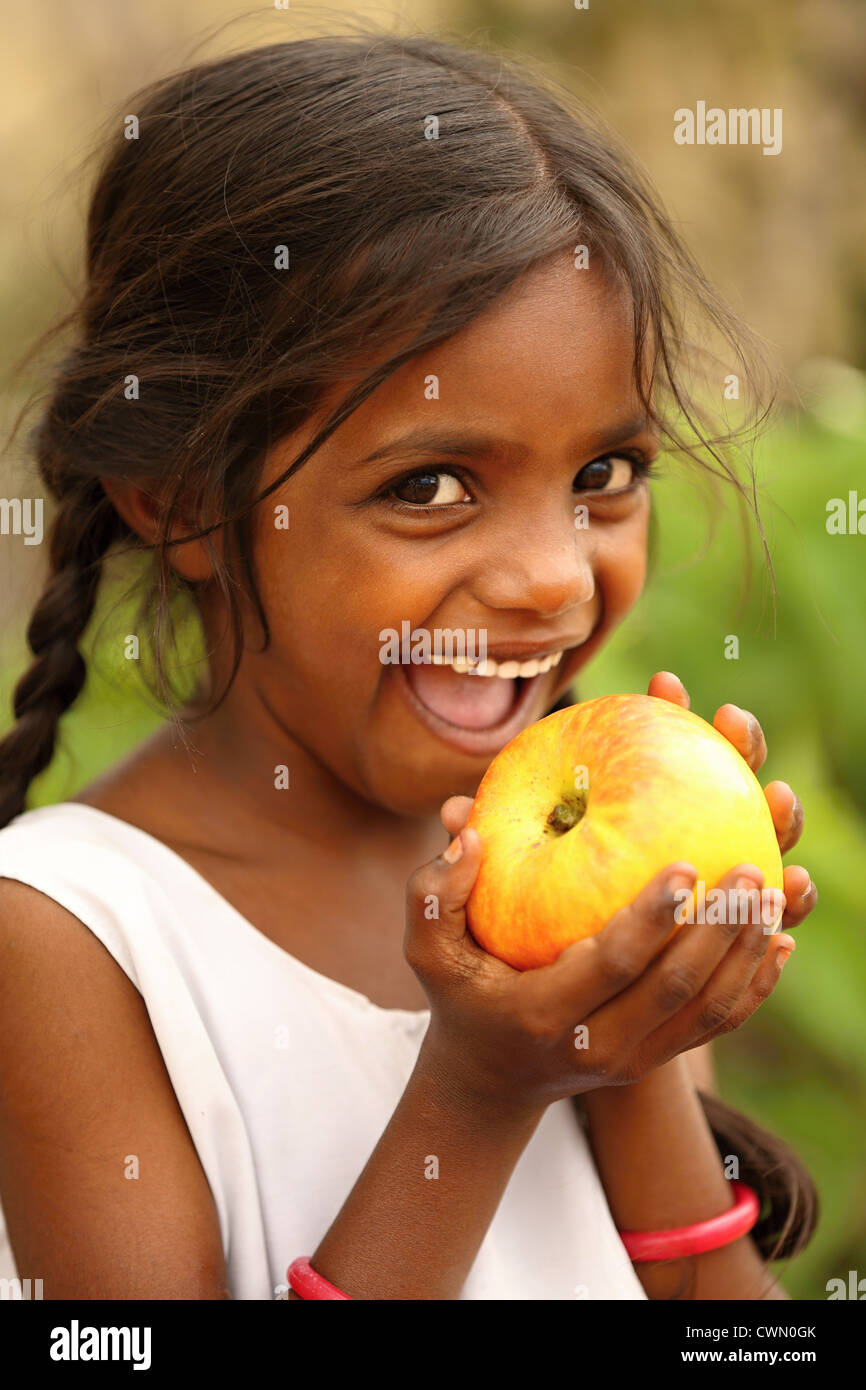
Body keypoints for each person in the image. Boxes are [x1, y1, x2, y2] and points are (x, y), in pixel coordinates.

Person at [0, 32, 818, 1300]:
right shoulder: (60, 942)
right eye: (430, 486)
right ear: (180, 502)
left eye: (602, 475)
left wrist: (636, 1039)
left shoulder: (568, 889)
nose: (554, 575)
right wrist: (480, 1093)